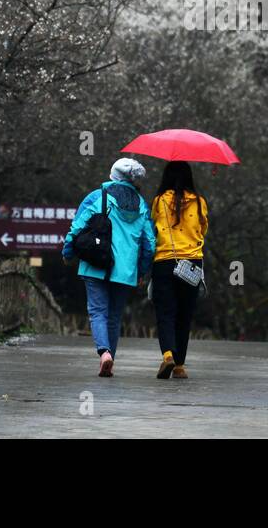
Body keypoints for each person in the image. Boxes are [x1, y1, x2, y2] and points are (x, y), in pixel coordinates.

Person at [62, 158, 155, 377]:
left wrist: (68, 252)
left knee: (97, 311)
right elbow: (149, 243)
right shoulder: (141, 205)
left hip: (95, 264)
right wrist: (142, 270)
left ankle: (104, 353)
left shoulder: (97, 197)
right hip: (125, 272)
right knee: (114, 315)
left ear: (113, 175)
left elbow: (77, 227)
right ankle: (109, 355)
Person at [150, 161, 208, 379]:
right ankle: (180, 366)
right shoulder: (200, 203)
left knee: (165, 313)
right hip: (192, 263)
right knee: (184, 315)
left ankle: (167, 355)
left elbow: (153, 227)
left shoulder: (159, 202)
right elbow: (203, 230)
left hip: (165, 261)